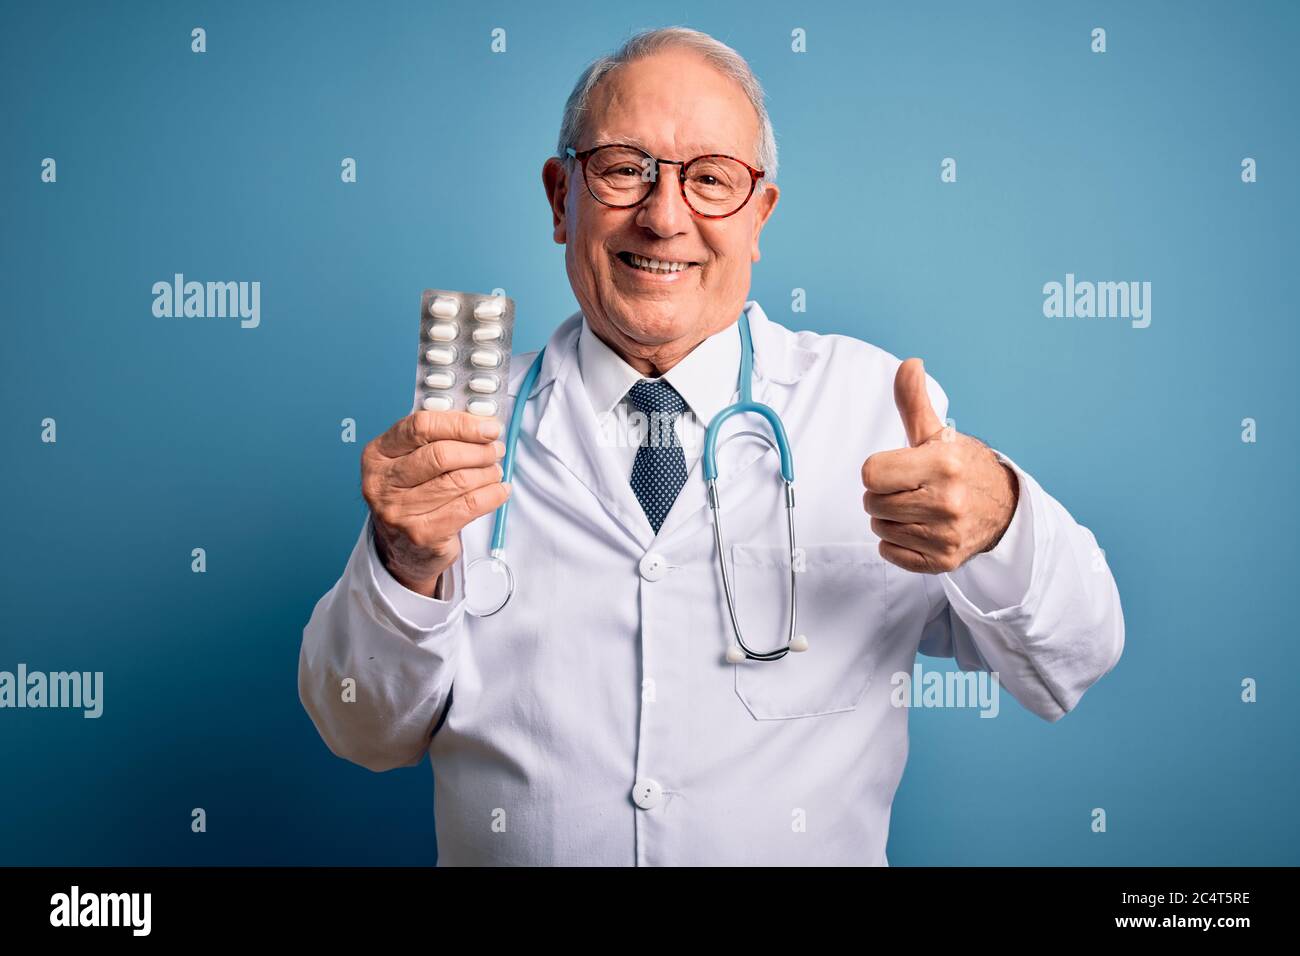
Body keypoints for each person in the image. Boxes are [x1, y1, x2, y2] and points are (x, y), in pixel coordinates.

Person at [298, 26, 1124, 866]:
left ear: (759, 216)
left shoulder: (870, 409)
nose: (664, 218)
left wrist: (999, 518)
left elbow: (1075, 657)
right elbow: (362, 730)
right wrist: (403, 564)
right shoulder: (456, 433)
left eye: (711, 182)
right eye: (624, 169)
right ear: (560, 199)